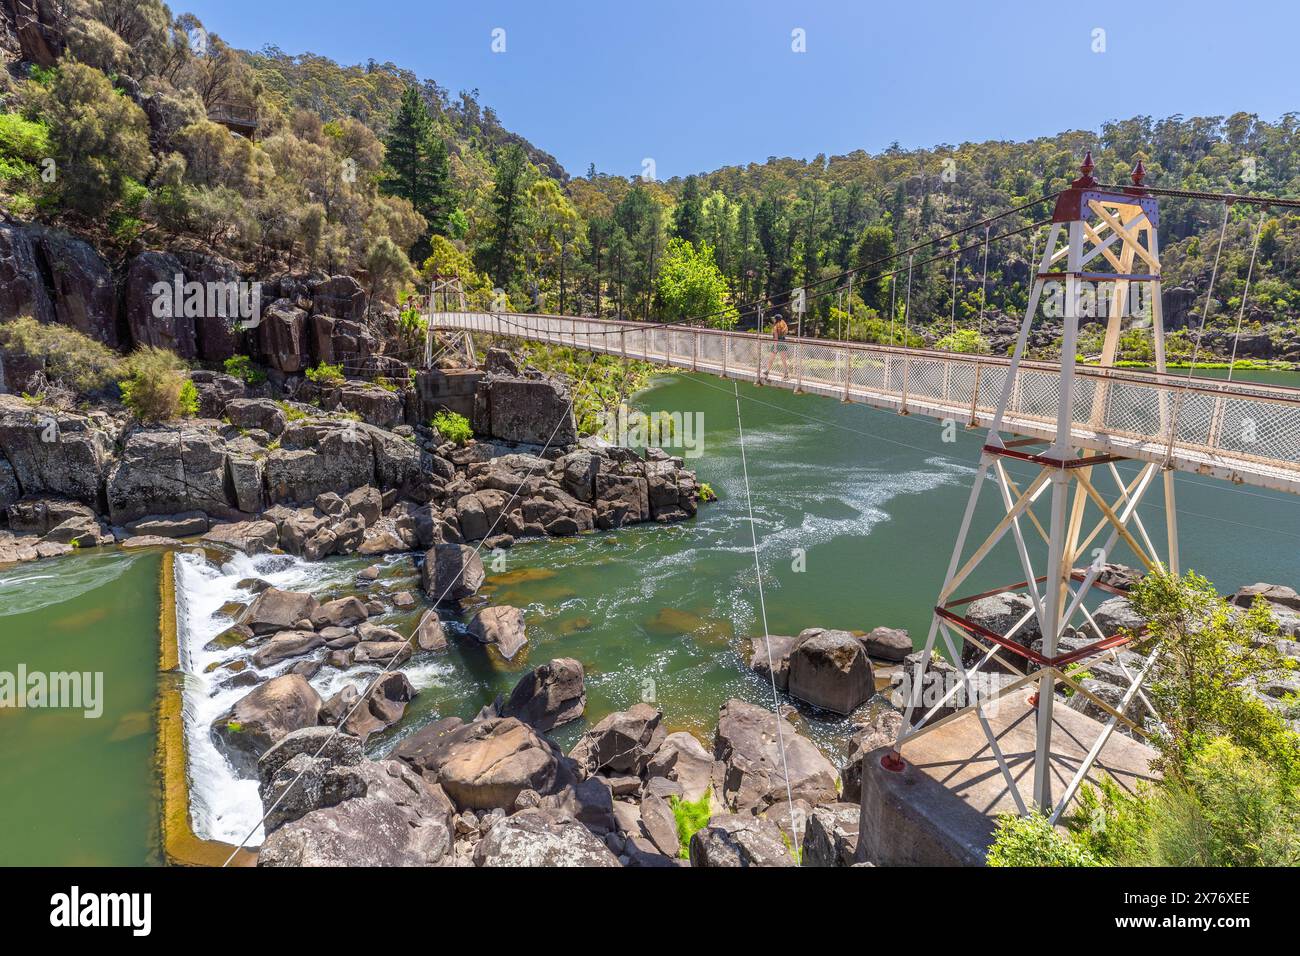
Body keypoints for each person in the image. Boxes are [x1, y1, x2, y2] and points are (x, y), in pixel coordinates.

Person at [763, 312, 791, 381]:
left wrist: (775, 347)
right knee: (784, 360)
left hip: (777, 344)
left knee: (771, 359)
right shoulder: (783, 326)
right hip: (783, 343)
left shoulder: (776, 327)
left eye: (775, 319)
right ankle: (786, 375)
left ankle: (767, 371)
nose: (774, 320)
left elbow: (775, 338)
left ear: (776, 319)